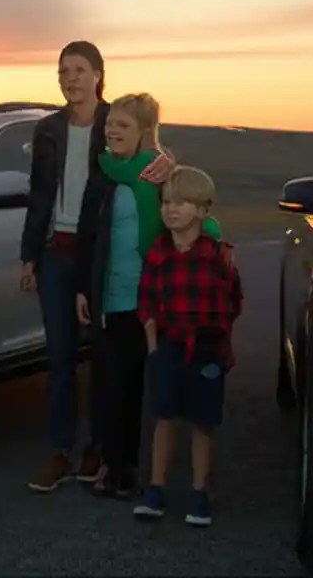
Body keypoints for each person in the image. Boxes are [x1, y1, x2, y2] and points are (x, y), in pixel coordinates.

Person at [21, 41, 174, 493]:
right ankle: (59, 450)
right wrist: (29, 255)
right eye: (63, 70)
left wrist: (169, 164)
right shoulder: (48, 129)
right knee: (61, 356)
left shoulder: (115, 122)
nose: (70, 78)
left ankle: (99, 446)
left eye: (79, 70)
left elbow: (151, 154)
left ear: (98, 75)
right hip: (55, 253)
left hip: (100, 253)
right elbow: (38, 195)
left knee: (104, 360)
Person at [73, 94, 223, 500]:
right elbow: (88, 237)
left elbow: (192, 216)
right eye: (110, 125)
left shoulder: (159, 176)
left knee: (154, 385)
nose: (112, 131)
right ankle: (117, 467)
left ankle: (162, 474)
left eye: (123, 126)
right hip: (110, 297)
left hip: (154, 300)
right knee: (111, 386)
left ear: (144, 132)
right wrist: (83, 290)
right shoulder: (102, 175)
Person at [132, 166, 244, 527]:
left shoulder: (218, 256)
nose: (170, 209)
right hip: (167, 347)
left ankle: (199, 491)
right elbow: (146, 300)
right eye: (166, 202)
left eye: (181, 202)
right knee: (164, 417)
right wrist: (152, 345)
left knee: (202, 421)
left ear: (202, 210)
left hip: (207, 350)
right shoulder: (158, 252)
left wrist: (219, 340)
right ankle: (155, 488)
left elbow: (234, 302)